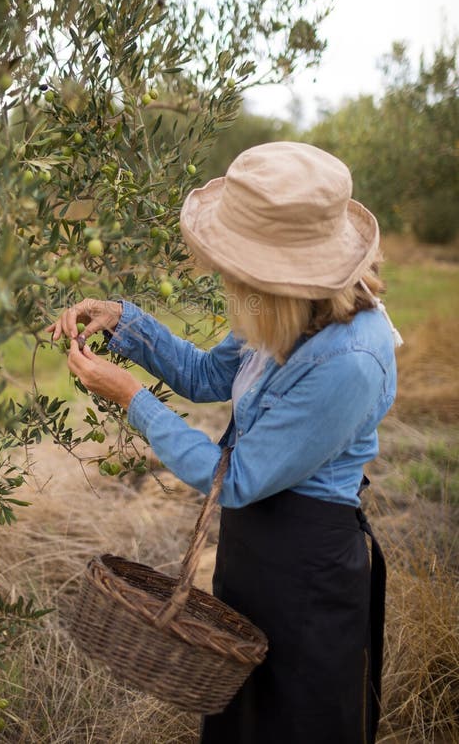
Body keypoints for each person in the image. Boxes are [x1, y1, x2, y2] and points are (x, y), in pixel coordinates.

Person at [46, 141, 400, 744]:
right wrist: (127, 324)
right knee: (243, 720)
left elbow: (232, 479)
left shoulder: (350, 361)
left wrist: (132, 398)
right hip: (256, 550)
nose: (230, 278)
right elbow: (211, 376)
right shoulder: (289, 308)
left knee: (299, 720)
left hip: (307, 569)